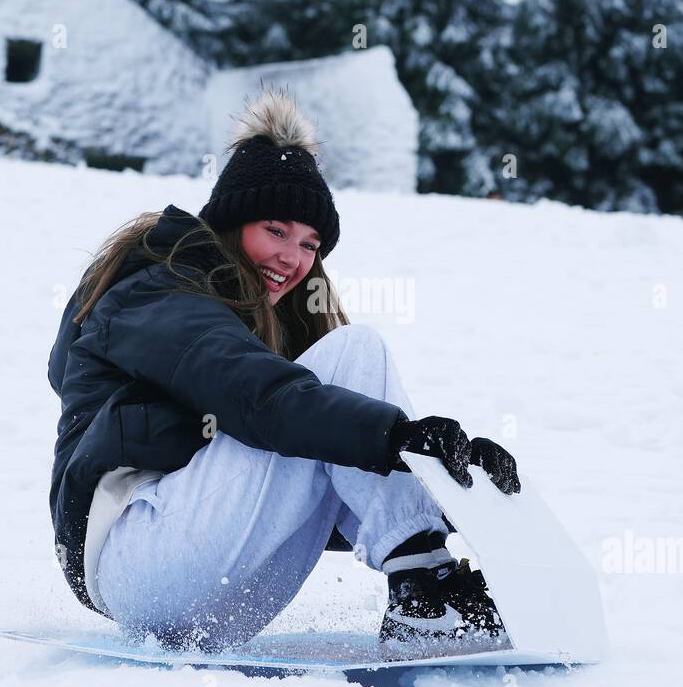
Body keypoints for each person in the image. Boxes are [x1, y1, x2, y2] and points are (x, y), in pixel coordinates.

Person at [47, 89, 522, 651]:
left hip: (218, 599)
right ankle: (426, 593)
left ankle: (429, 579)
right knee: (352, 356)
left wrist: (446, 481)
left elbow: (322, 486)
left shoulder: (267, 323)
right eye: (276, 230)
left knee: (332, 410)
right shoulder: (160, 290)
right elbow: (261, 399)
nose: (294, 259)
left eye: (309, 244)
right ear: (230, 223)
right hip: (136, 558)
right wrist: (399, 437)